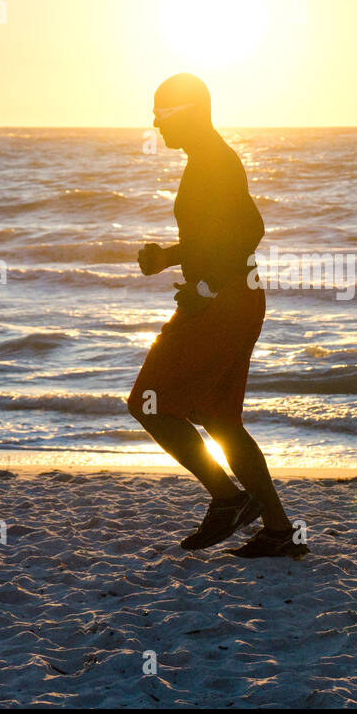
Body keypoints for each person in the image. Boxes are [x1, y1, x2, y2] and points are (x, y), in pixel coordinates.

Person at [126, 73, 307, 558]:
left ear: (188, 112)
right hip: (235, 298)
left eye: (162, 113)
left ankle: (228, 499)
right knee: (219, 419)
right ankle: (278, 530)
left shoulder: (214, 161)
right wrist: (169, 256)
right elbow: (218, 239)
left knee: (147, 402)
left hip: (222, 303)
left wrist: (205, 286)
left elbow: (250, 229)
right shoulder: (206, 159)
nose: (154, 123)